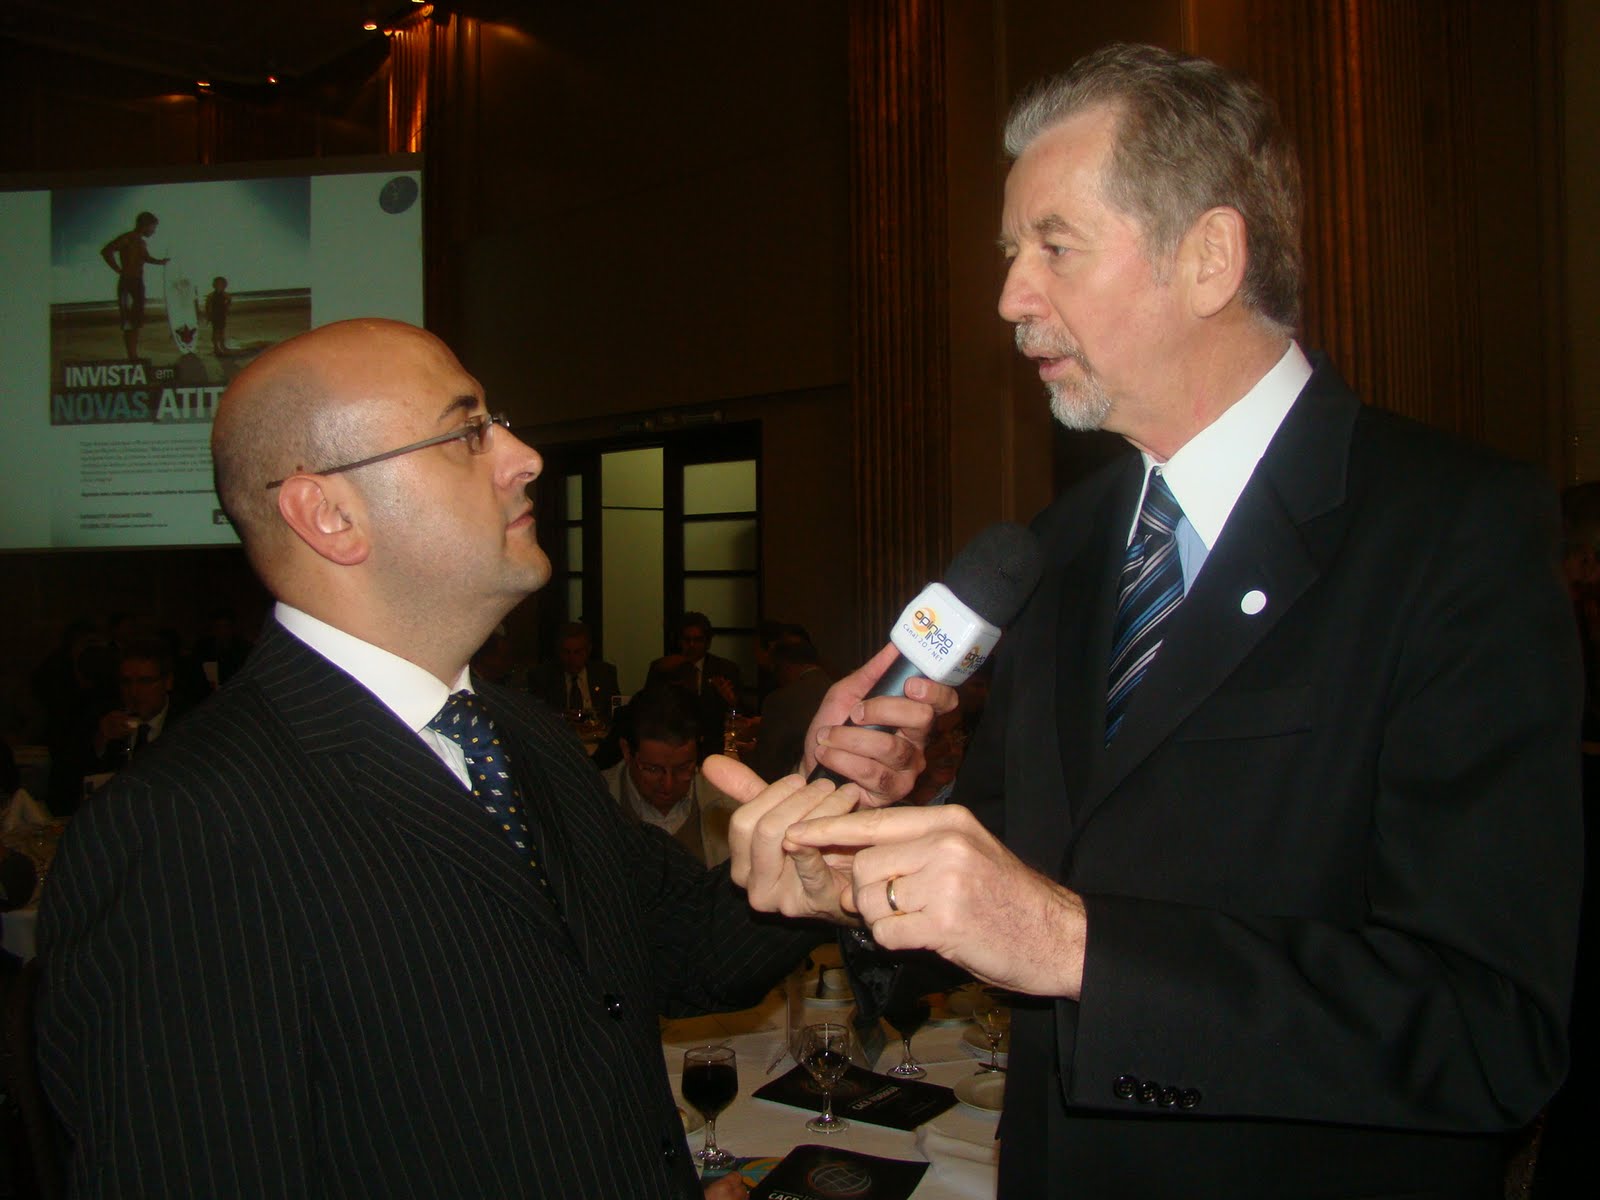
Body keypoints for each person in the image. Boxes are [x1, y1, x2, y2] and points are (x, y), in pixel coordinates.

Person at [715, 43, 1583, 1199]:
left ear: (1210, 255)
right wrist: (877, 853)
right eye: (1011, 254)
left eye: (1053, 247)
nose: (1009, 297)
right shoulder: (1068, 545)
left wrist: (1073, 948)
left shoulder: (1449, 530)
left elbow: (1489, 1033)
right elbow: (1020, 868)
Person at [35, 317, 951, 1198]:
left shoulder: (523, 737)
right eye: (467, 433)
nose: (524, 457)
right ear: (328, 514)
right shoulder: (186, 829)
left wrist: (827, 804)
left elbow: (673, 952)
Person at [602, 683, 735, 867]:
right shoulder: (595, 801)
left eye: (683, 768)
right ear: (626, 751)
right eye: (653, 769)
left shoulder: (726, 807)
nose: (668, 785)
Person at [746, 636, 833, 783]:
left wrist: (747, 754)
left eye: (776, 670)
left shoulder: (780, 699)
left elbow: (767, 764)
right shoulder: (838, 689)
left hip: (791, 786)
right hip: (834, 780)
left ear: (785, 666)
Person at [99, 211, 169, 360]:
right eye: (153, 227)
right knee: (129, 321)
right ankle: (132, 356)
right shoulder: (128, 238)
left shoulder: (141, 241)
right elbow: (106, 251)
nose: (154, 231)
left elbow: (146, 257)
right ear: (144, 225)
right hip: (127, 283)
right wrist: (118, 270)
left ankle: (134, 355)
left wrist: (161, 262)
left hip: (138, 283)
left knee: (136, 321)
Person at [529, 620, 620, 715]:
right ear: (559, 651)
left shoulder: (605, 674)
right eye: (566, 652)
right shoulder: (542, 677)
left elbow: (616, 713)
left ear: (588, 650)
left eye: (578, 652)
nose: (572, 659)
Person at [204, 275, 232, 354]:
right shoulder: (211, 295)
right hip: (214, 315)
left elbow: (229, 301)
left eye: (222, 285)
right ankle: (216, 347)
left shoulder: (225, 294)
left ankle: (222, 346)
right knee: (215, 331)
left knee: (222, 331)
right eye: (218, 284)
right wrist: (208, 316)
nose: (220, 286)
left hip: (222, 315)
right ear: (214, 285)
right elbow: (208, 306)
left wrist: (227, 308)